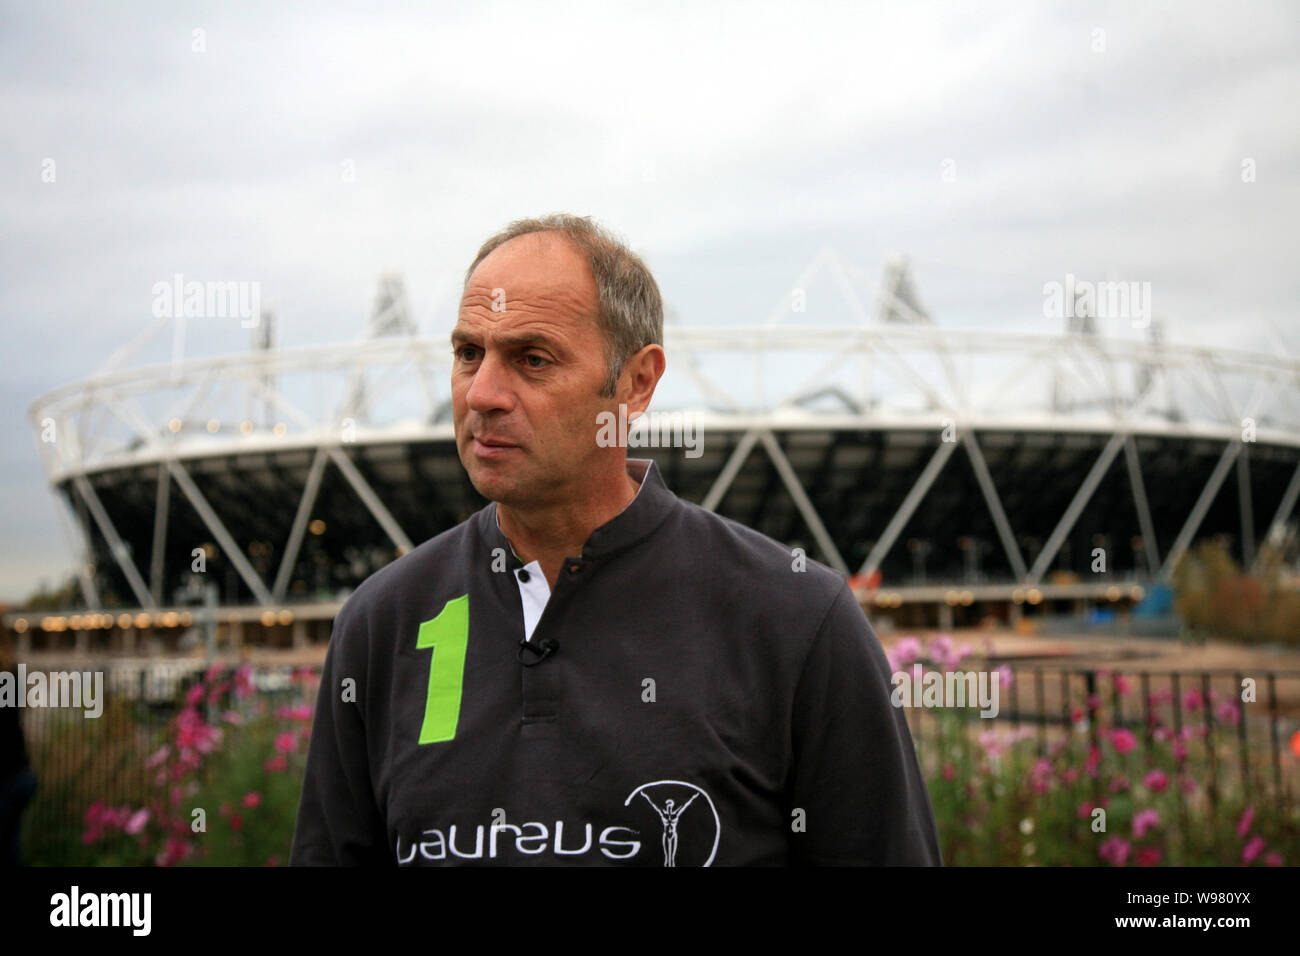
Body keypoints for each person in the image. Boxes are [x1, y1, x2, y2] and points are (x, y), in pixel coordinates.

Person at [290, 213, 941, 866]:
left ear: (636, 383)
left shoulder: (796, 620)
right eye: (468, 354)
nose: (482, 393)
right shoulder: (381, 624)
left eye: (532, 359)